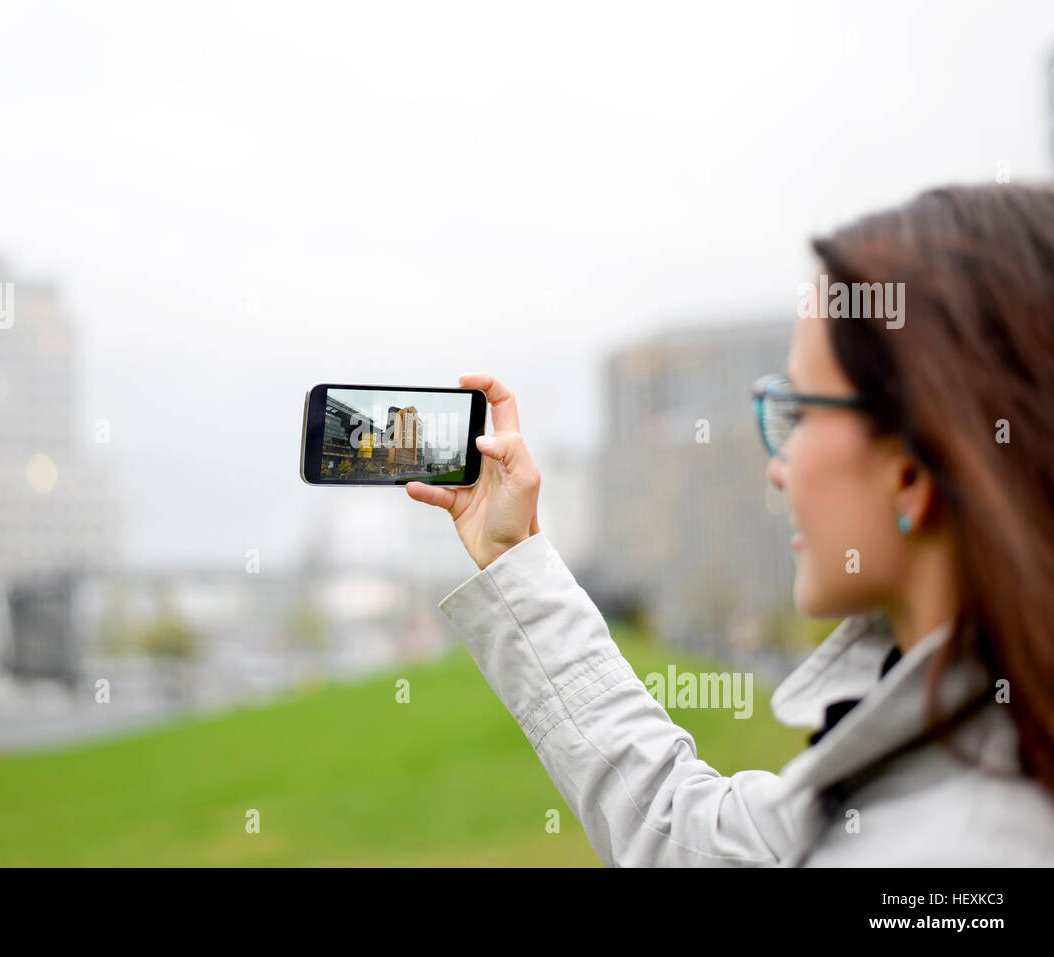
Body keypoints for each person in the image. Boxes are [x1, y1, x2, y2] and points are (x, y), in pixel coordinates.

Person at [406, 183, 1054, 866]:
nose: (778, 467)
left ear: (914, 466)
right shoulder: (944, 762)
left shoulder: (958, 845)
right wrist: (515, 557)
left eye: (800, 413)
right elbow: (684, 830)